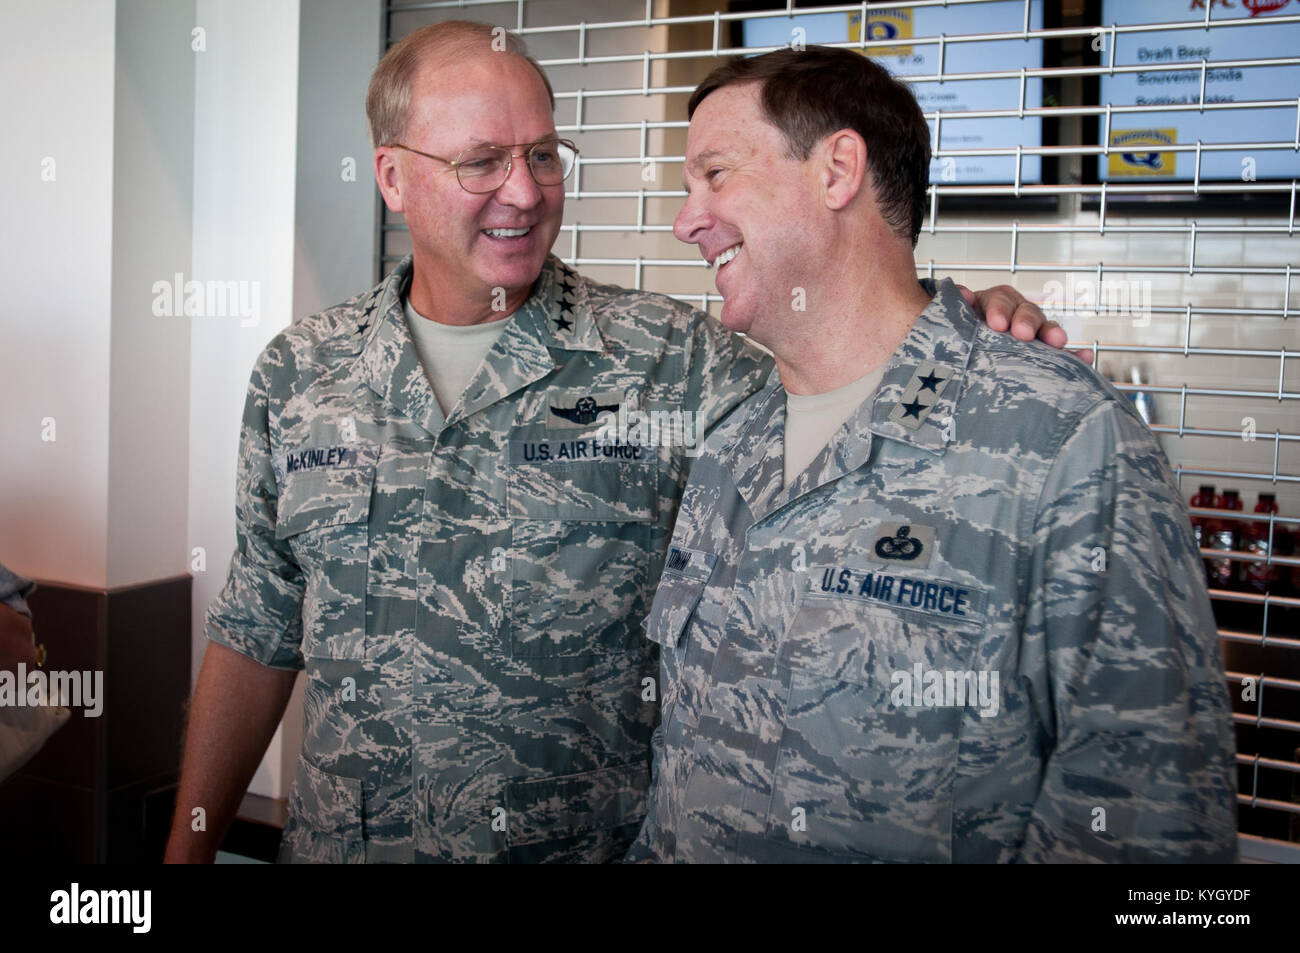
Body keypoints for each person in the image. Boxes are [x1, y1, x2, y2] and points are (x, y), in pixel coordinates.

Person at [164, 22, 1064, 864]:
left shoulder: (675, 366)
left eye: (543, 157)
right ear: (393, 177)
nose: (524, 192)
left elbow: (849, 382)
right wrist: (188, 849)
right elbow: (256, 632)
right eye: (482, 162)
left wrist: (960, 322)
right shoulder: (302, 373)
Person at [629, 46, 1237, 863]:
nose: (686, 219)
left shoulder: (1064, 442)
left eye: (716, 174)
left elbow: (1152, 826)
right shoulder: (727, 449)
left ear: (838, 168)